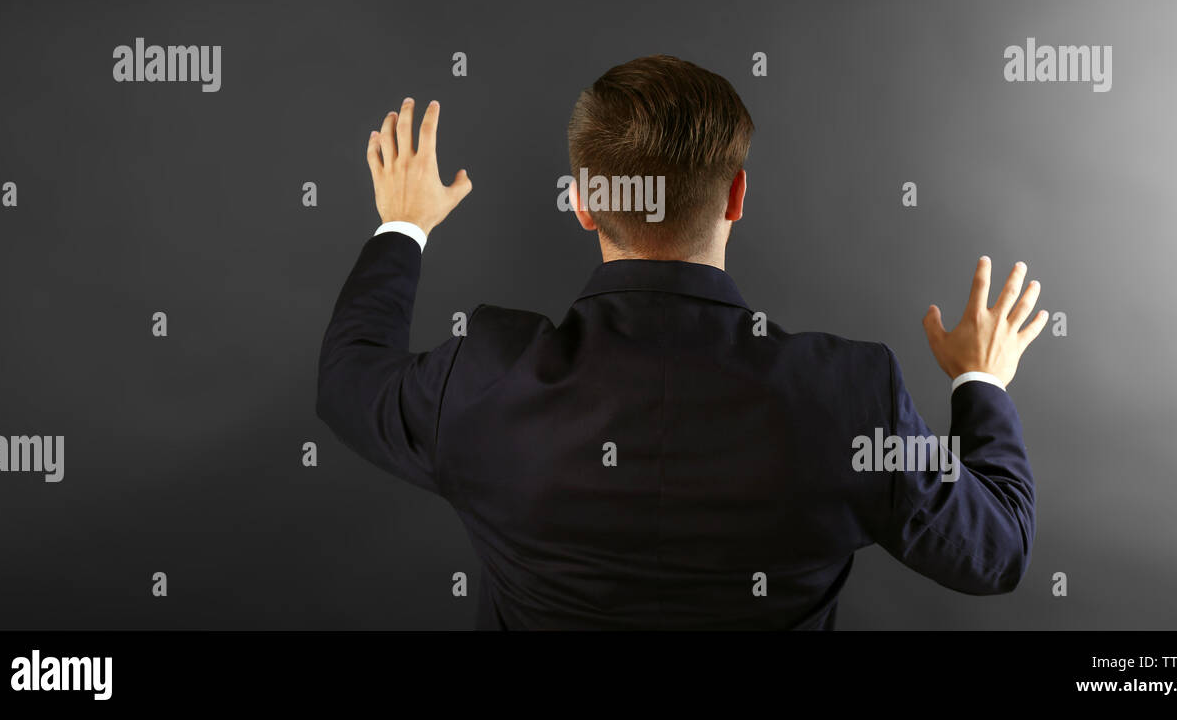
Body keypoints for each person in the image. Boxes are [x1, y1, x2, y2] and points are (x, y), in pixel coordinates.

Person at [316, 54, 1044, 629]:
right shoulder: (852, 398)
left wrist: (403, 225)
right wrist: (980, 382)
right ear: (736, 196)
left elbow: (348, 378)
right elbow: (998, 550)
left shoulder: (482, 375)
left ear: (582, 203)